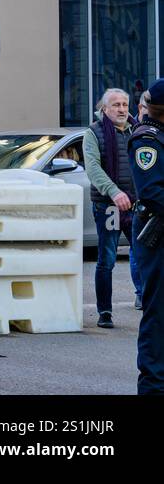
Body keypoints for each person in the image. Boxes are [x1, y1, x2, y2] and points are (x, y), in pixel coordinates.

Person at [85, 88, 144, 325]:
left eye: (124, 104)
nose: (121, 109)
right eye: (116, 105)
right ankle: (104, 312)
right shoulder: (93, 132)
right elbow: (93, 168)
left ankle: (147, 300)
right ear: (104, 109)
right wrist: (114, 192)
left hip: (137, 206)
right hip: (107, 206)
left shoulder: (138, 131)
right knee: (107, 260)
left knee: (144, 255)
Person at [127, 79, 164, 395]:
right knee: (157, 312)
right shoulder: (146, 140)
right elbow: (151, 192)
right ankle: (152, 387)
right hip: (158, 236)